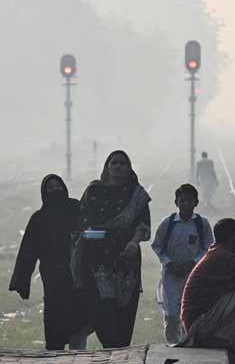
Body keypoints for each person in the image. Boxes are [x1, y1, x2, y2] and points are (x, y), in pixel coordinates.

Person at [71, 150, 151, 348]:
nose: (117, 166)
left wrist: (133, 242)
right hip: (97, 261)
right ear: (107, 167)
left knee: (124, 311)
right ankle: (110, 348)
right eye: (113, 162)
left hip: (126, 260)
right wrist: (98, 235)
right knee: (102, 310)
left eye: (122, 163)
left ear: (129, 168)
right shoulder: (94, 191)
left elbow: (143, 226)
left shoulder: (137, 194)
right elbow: (81, 226)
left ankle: (121, 352)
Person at [9, 174, 88, 350]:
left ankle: (79, 357)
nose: (55, 190)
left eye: (57, 186)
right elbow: (27, 253)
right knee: (54, 324)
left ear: (64, 188)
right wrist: (21, 281)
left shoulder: (76, 208)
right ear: (44, 193)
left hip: (78, 278)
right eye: (50, 188)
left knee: (78, 323)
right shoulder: (39, 218)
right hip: (53, 280)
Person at [179, 218, 235, 364]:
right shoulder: (224, 258)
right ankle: (221, 338)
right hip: (199, 327)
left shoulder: (218, 252)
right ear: (234, 235)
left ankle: (227, 342)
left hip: (198, 323)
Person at [152, 184, 214, 344]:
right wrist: (169, 263)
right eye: (182, 200)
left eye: (189, 200)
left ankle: (188, 345)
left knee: (190, 312)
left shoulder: (202, 224)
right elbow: (157, 245)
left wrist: (193, 263)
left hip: (194, 275)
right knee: (172, 314)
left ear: (196, 202)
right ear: (176, 202)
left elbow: (209, 247)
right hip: (171, 276)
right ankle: (173, 343)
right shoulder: (168, 223)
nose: (185, 204)